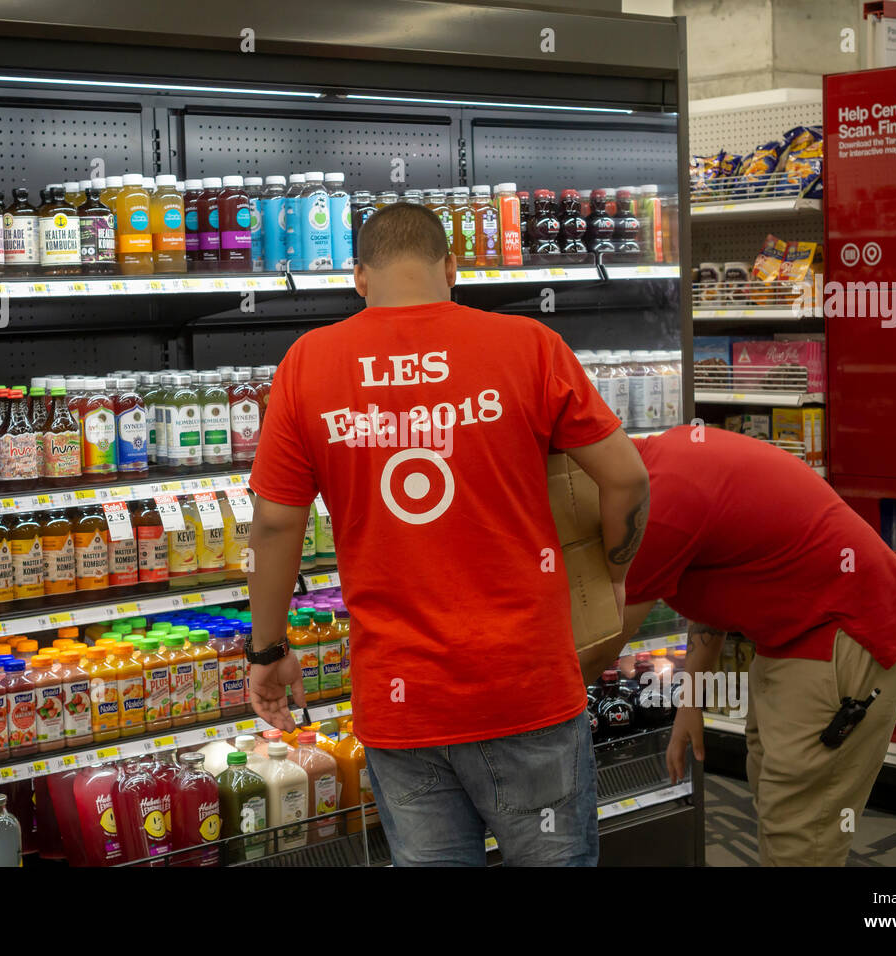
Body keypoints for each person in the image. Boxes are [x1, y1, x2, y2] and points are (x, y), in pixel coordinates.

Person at [243, 202, 649, 866]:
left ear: (360, 278)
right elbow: (627, 479)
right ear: (452, 268)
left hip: (403, 702)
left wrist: (268, 650)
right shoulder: (528, 345)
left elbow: (275, 521)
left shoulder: (309, 363)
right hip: (527, 688)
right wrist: (611, 568)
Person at [588, 424, 896, 866]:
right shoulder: (654, 464)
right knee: (775, 790)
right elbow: (710, 580)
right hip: (795, 633)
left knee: (803, 823)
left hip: (844, 628)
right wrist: (691, 703)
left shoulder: (652, 506)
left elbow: (600, 648)